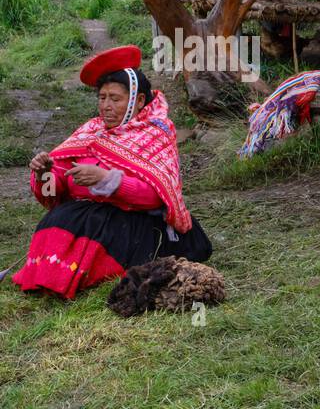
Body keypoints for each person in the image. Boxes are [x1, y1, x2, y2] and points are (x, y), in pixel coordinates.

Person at [13, 45, 211, 299]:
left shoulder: (156, 132)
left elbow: (157, 196)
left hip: (136, 222)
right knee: (59, 218)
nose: (106, 106)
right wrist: (43, 175)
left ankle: (77, 275)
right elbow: (54, 191)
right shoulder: (90, 131)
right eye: (102, 97)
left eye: (115, 99)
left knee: (98, 227)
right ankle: (52, 274)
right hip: (85, 216)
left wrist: (108, 180)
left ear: (138, 101)